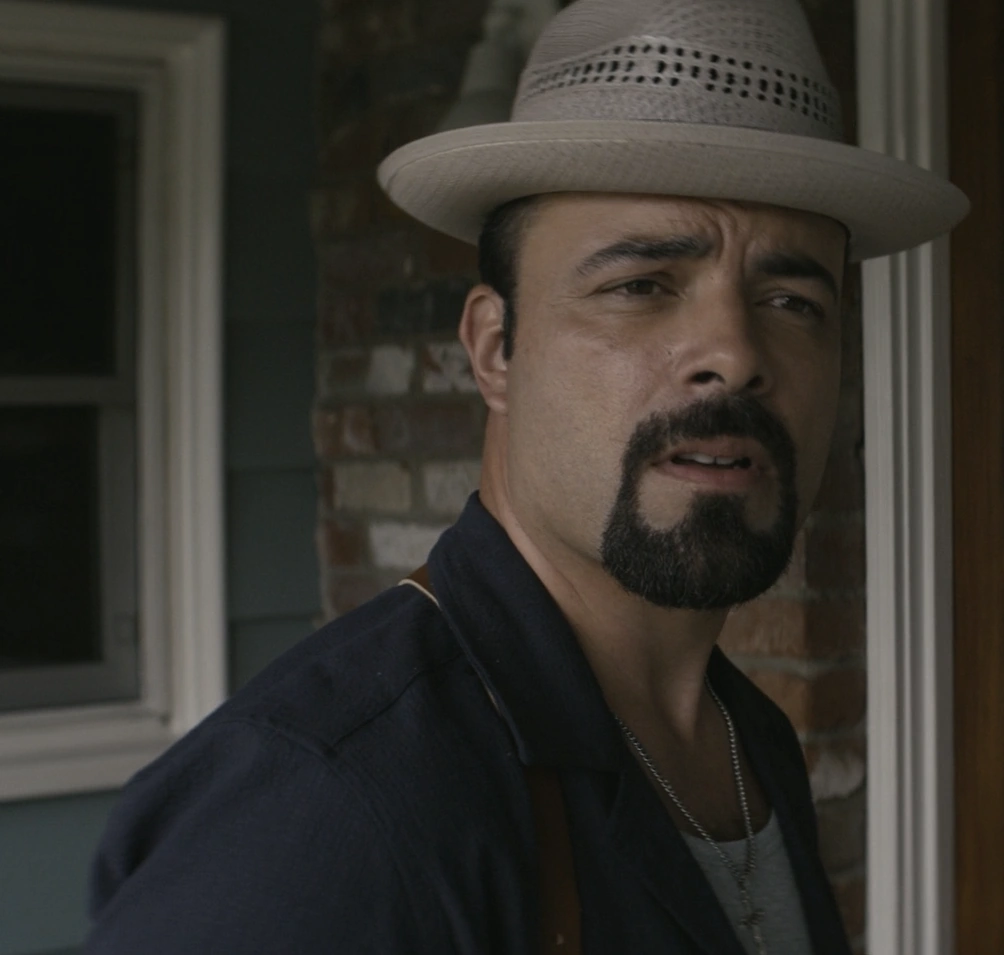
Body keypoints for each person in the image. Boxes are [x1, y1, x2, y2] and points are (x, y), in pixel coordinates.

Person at [85, 0, 967, 953]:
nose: (735, 353)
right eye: (641, 285)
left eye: (792, 301)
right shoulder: (329, 809)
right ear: (496, 348)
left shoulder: (747, 739)